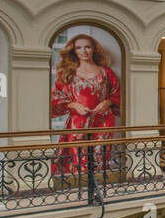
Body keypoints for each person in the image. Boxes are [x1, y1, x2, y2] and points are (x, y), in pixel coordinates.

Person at [50, 33, 121, 176]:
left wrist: (107, 102)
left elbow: (117, 93)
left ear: (94, 49)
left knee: (99, 158)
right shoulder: (67, 73)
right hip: (78, 122)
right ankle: (80, 189)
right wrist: (74, 105)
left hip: (103, 121)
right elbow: (55, 98)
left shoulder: (106, 72)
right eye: (79, 48)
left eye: (87, 47)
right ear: (74, 50)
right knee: (79, 159)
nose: (84, 51)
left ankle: (99, 188)